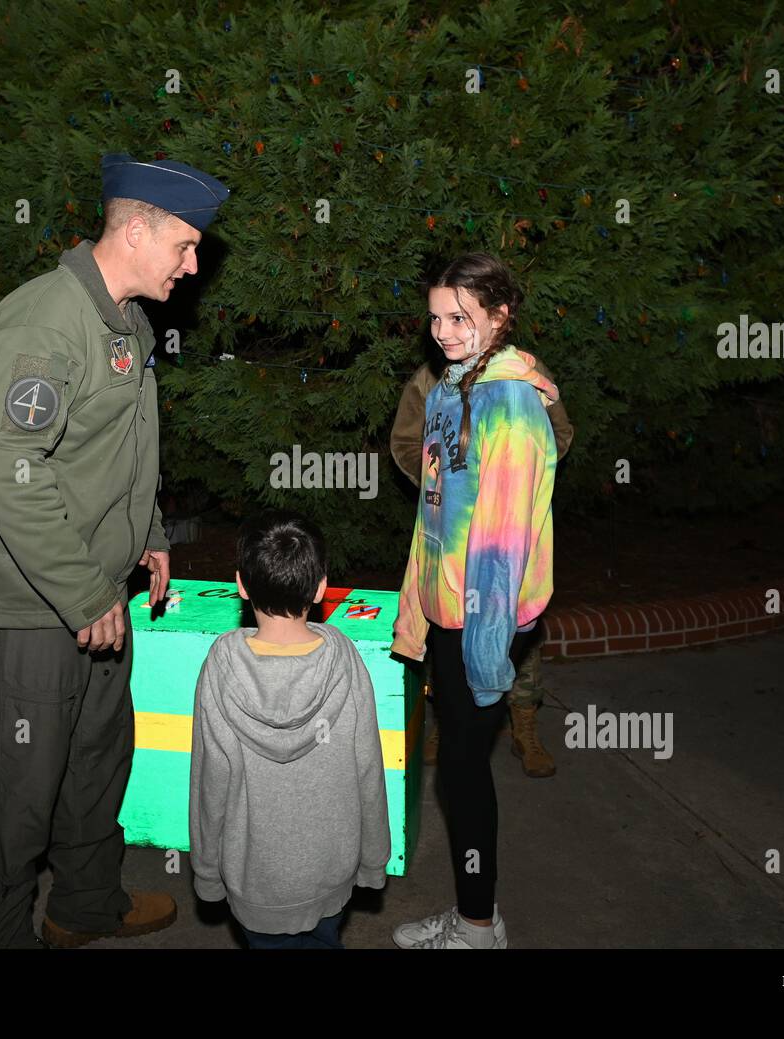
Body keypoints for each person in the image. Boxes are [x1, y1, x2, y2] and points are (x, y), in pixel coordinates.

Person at [0, 151, 229, 948]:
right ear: (136, 230)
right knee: (13, 798)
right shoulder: (44, 324)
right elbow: (8, 471)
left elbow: (117, 449)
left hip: (96, 591)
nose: (194, 263)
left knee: (94, 759)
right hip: (26, 607)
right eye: (185, 245)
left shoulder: (125, 319)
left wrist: (147, 537)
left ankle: (85, 904)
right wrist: (85, 593)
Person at [389, 252, 559, 949]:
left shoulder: (510, 401)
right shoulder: (448, 391)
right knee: (458, 773)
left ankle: (478, 926)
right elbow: (432, 518)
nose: (445, 332)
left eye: (460, 317)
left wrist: (489, 659)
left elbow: (502, 538)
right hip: (450, 615)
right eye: (435, 319)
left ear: (499, 316)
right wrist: (415, 611)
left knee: (463, 774)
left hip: (480, 623)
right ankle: (473, 915)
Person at [188, 511, 390, 949]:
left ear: (240, 584)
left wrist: (206, 872)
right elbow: (368, 768)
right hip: (330, 873)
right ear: (321, 588)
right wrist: (374, 860)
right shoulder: (346, 660)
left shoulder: (220, 667)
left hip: (255, 882)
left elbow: (210, 782)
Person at [390, 336, 573, 778]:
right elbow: (404, 442)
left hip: (505, 528)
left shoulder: (520, 374)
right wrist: (446, 486)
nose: (448, 330)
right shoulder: (432, 378)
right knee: (447, 634)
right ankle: (448, 722)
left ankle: (524, 721)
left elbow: (559, 434)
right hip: (449, 538)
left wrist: (511, 478)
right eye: (440, 317)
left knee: (511, 620)